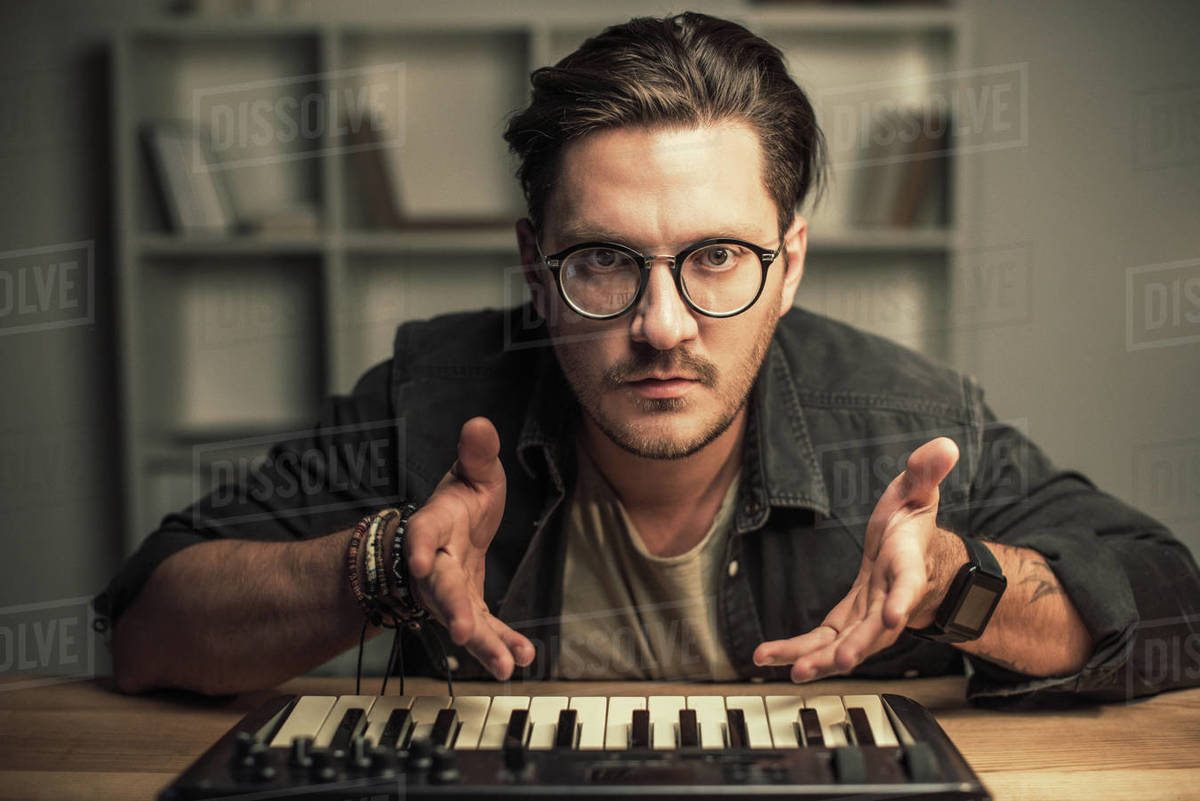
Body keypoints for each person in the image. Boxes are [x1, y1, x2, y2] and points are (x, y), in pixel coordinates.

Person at [97, 12, 1200, 706]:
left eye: (718, 257)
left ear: (793, 261)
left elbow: (1171, 609)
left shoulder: (901, 419)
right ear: (536, 266)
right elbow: (148, 626)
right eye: (604, 261)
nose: (663, 323)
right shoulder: (437, 400)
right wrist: (380, 567)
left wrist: (962, 587)